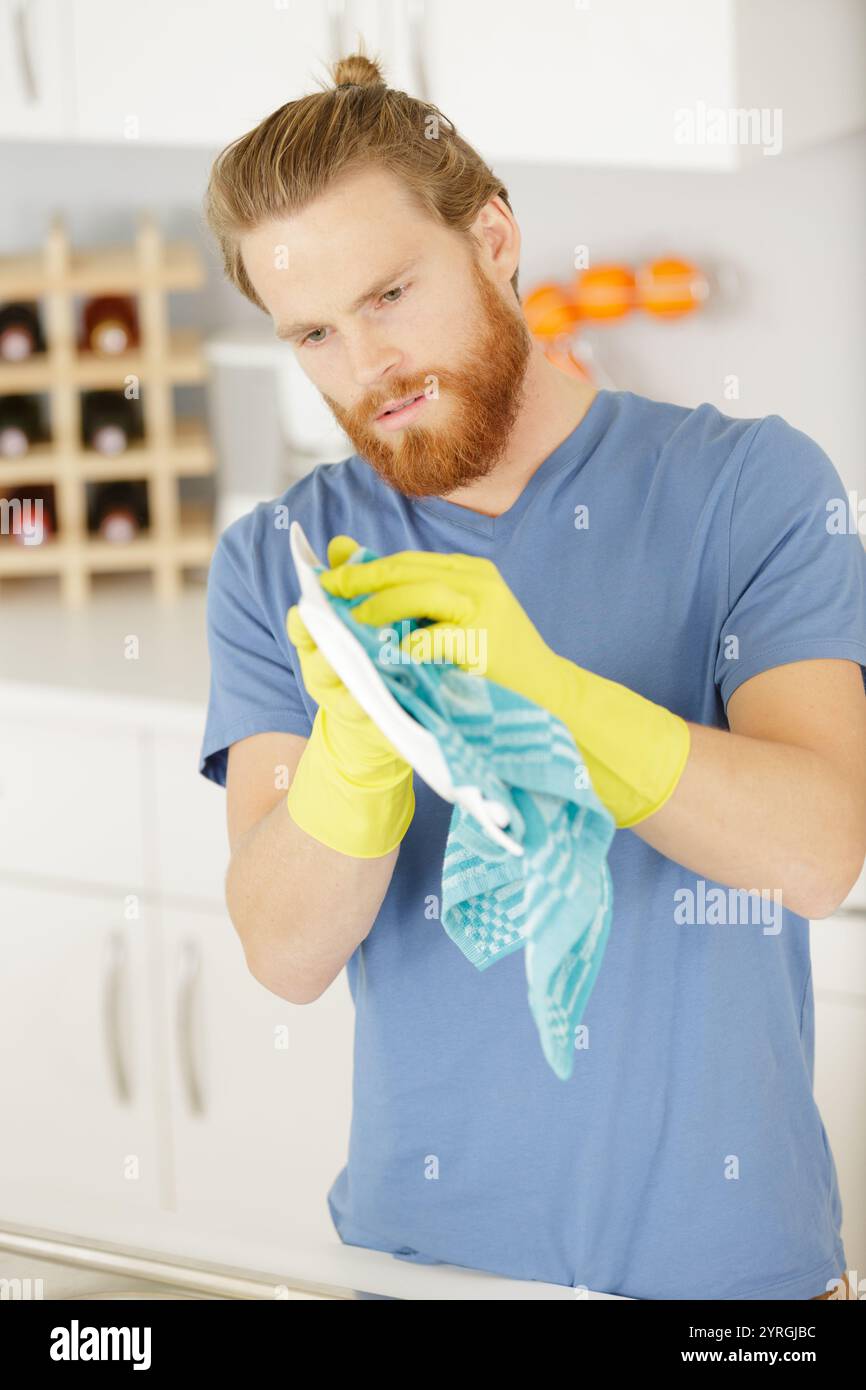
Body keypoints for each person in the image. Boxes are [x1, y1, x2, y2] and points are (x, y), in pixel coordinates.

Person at [199, 49, 866, 1300]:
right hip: (421, 1269)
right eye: (314, 334)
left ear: (492, 236)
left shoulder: (750, 489)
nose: (367, 368)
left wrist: (552, 693)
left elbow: (820, 850)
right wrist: (355, 757)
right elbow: (282, 953)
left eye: (390, 294)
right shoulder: (284, 566)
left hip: (731, 1284)